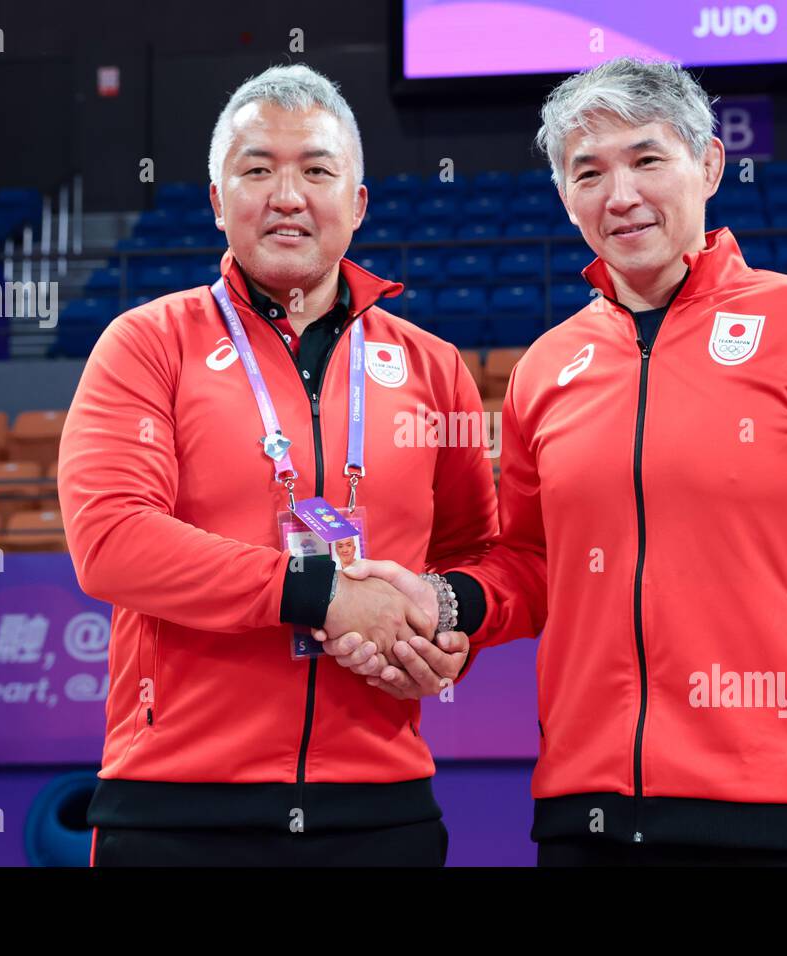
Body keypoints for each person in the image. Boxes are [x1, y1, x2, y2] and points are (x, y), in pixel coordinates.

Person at [319, 57, 787, 867]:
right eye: (589, 172)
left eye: (647, 159)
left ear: (710, 164)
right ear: (565, 196)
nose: (620, 195)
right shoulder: (545, 368)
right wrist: (445, 600)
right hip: (584, 816)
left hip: (779, 814)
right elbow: (531, 564)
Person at [58, 63, 497, 866]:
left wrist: (444, 626)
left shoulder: (435, 369)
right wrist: (320, 594)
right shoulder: (146, 344)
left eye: (316, 170)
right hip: (175, 805)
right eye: (256, 169)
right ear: (218, 198)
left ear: (357, 204)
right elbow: (112, 541)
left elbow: (480, 559)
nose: (286, 195)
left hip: (380, 806)